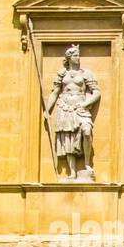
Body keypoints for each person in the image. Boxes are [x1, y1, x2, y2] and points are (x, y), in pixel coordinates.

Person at [45, 44, 100, 181]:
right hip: (64, 107)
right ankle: (72, 172)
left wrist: (86, 103)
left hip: (80, 108)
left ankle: (87, 164)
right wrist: (47, 109)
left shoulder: (86, 73)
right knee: (67, 137)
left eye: (78, 55)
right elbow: (55, 93)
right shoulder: (62, 74)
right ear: (69, 58)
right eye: (75, 55)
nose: (78, 57)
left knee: (86, 131)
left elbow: (96, 92)